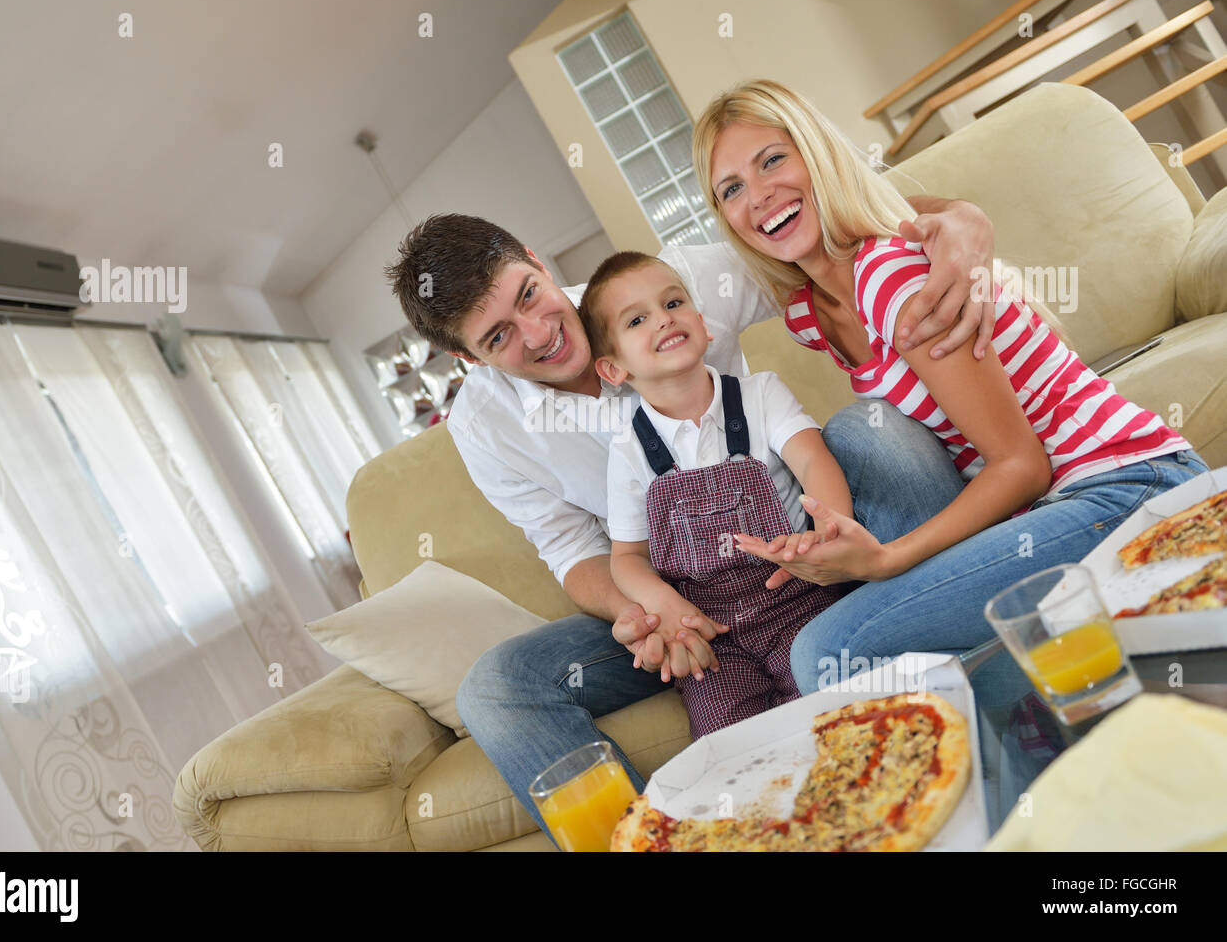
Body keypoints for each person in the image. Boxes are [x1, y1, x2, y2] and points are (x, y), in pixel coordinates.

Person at [385, 206, 993, 842]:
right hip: (682, 600)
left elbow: (825, 224)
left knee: (874, 433)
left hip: (809, 557)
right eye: (499, 337)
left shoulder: (669, 286)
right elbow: (572, 548)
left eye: (529, 296)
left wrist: (957, 224)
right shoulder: (485, 428)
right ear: (468, 358)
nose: (539, 334)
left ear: (536, 261)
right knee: (495, 689)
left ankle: (963, 673)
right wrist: (653, 612)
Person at [693, 79, 1208, 695]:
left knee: (828, 651)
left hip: (1124, 487)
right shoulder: (811, 313)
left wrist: (887, 560)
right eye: (732, 189)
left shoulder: (889, 279)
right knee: (858, 438)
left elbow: (1022, 465)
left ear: (817, 155)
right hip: (1049, 510)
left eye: (773, 159)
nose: (760, 196)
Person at [580, 250, 850, 738]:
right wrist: (663, 602)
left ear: (705, 327)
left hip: (799, 595)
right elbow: (627, 557)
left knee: (830, 704)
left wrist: (825, 531)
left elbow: (814, 461)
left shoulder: (760, 395)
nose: (663, 319)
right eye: (638, 319)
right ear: (613, 369)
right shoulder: (629, 452)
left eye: (674, 302)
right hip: (709, 629)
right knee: (727, 736)